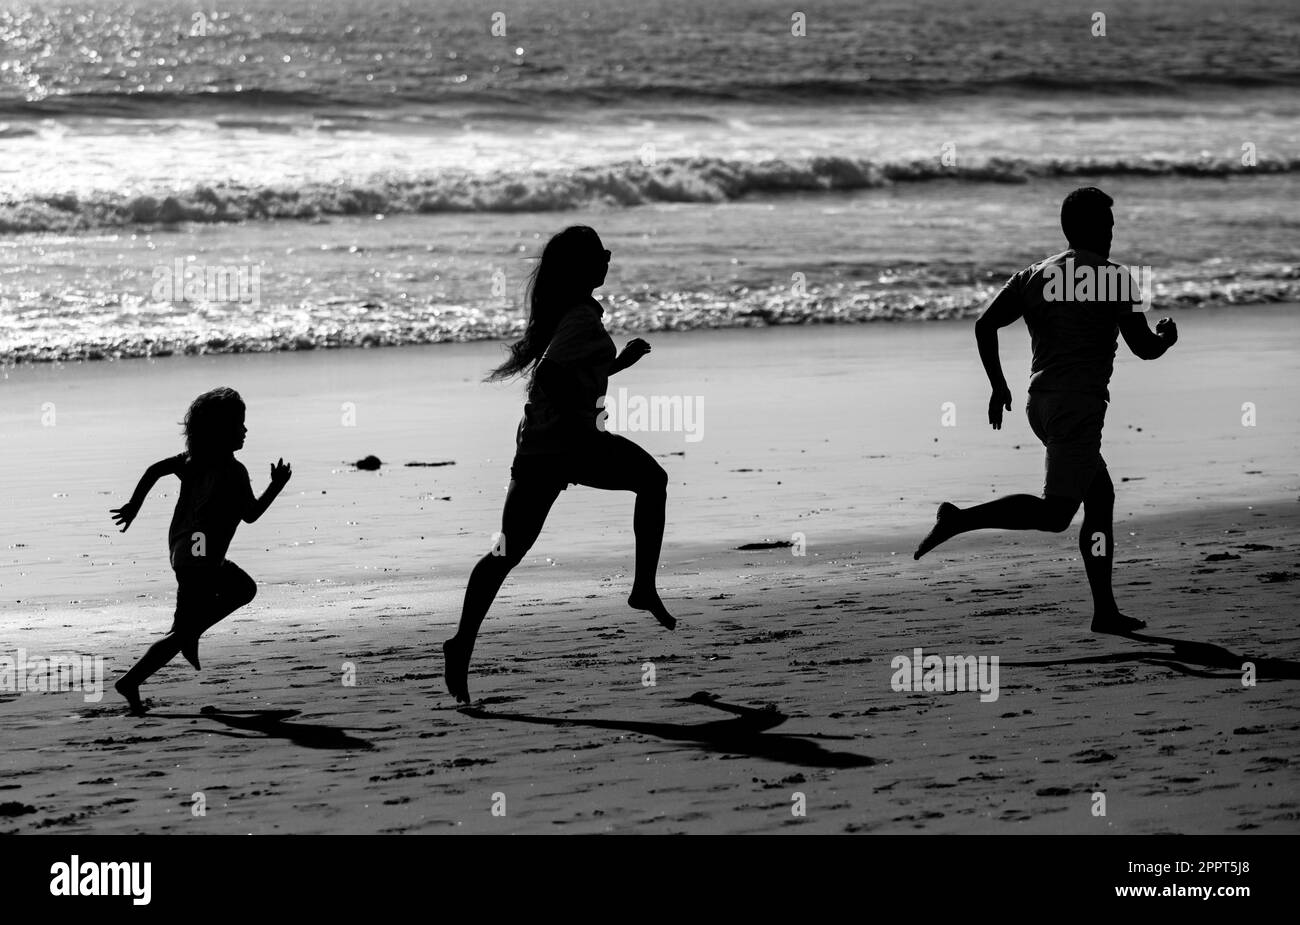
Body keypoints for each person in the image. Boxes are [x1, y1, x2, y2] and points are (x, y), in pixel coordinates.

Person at [914, 187, 1177, 635]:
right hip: (1077, 408)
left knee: (1100, 498)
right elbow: (1145, 348)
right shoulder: (1116, 279)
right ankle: (960, 519)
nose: (1112, 235)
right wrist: (1167, 337)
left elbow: (985, 325)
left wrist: (998, 386)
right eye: (1107, 227)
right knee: (1056, 515)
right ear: (1091, 229)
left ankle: (1105, 612)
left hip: (1041, 403)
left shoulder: (1033, 275)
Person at [443, 225, 674, 704]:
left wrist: (616, 365)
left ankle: (462, 643)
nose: (607, 259)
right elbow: (551, 374)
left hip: (539, 450)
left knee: (505, 553)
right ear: (580, 267)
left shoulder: (572, 315)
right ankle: (643, 588)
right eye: (600, 254)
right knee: (653, 481)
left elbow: (568, 369)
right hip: (571, 444)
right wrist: (579, 413)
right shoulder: (578, 319)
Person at [110, 387, 291, 712]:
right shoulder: (234, 471)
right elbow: (250, 514)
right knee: (216, 607)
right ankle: (133, 679)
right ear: (221, 431)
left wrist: (134, 506)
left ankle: (187, 636)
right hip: (201, 556)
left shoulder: (191, 462)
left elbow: (154, 471)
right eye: (239, 424)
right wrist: (276, 487)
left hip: (185, 552)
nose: (245, 431)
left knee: (234, 593)